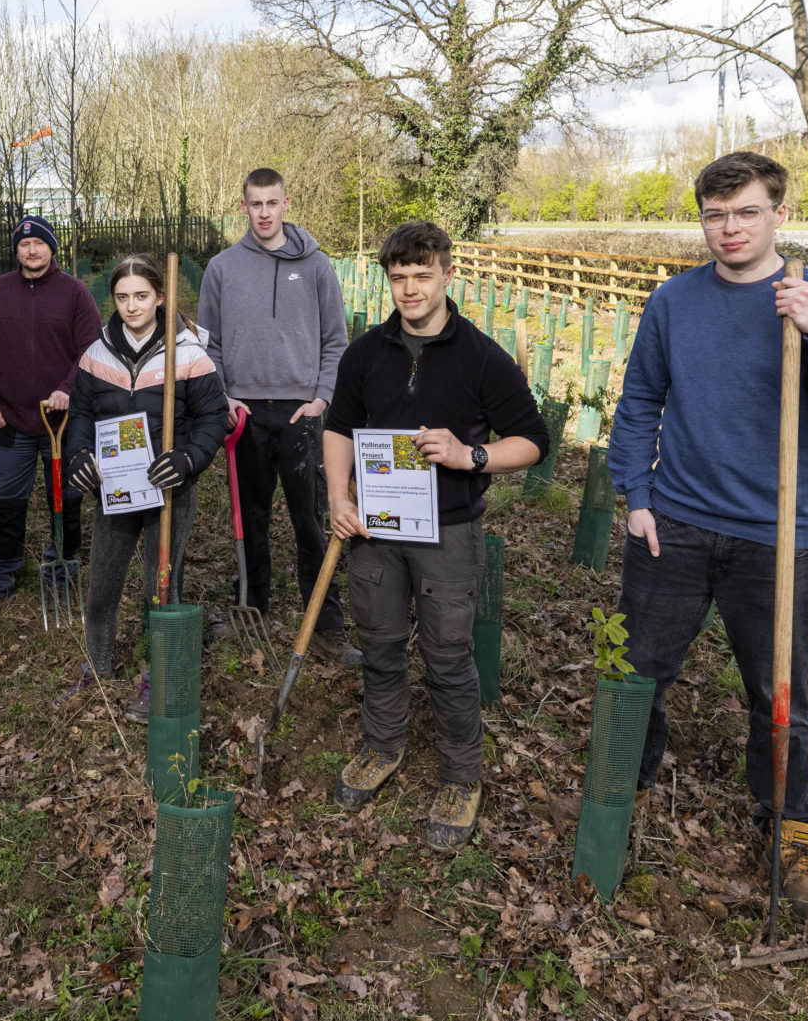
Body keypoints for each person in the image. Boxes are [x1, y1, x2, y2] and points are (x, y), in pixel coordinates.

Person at [610, 151, 808, 925]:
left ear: (776, 213)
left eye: (745, 212)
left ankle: (790, 834)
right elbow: (639, 401)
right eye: (714, 214)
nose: (728, 228)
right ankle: (620, 799)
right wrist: (636, 496)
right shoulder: (673, 302)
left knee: (781, 694)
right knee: (640, 670)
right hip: (674, 524)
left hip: (777, 536)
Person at [324, 220, 547, 849]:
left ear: (448, 273)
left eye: (422, 276)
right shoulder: (366, 353)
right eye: (398, 279)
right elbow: (339, 427)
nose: (410, 290)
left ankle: (460, 773)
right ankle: (384, 744)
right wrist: (340, 497)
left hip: (448, 531)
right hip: (376, 530)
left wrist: (469, 455)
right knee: (381, 642)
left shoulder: (481, 358)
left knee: (448, 654)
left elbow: (533, 442)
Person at [197, 168, 358, 665]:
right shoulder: (222, 268)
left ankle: (327, 624)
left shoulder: (316, 267)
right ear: (242, 207)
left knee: (312, 520)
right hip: (243, 413)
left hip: (301, 413)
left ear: (287, 203)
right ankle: (252, 606)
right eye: (255, 204)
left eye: (272, 203)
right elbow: (209, 346)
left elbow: (336, 340)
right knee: (252, 517)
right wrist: (223, 398)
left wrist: (323, 399)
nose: (264, 213)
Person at [64, 254, 231, 720]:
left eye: (141, 296)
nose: (132, 306)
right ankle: (96, 664)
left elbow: (213, 417)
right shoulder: (96, 354)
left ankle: (156, 675)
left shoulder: (188, 353)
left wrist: (189, 458)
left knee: (160, 587)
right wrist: (79, 455)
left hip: (169, 490)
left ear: (160, 296)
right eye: (122, 297)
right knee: (103, 584)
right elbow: (80, 413)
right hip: (116, 490)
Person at [0, 214, 102, 623]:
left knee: (67, 497)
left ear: (51, 247)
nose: (31, 250)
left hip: (63, 420)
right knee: (4, 501)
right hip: (12, 420)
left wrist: (66, 389)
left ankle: (62, 568)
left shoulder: (75, 294)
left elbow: (90, 350)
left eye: (39, 243)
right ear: (16, 251)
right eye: (24, 245)